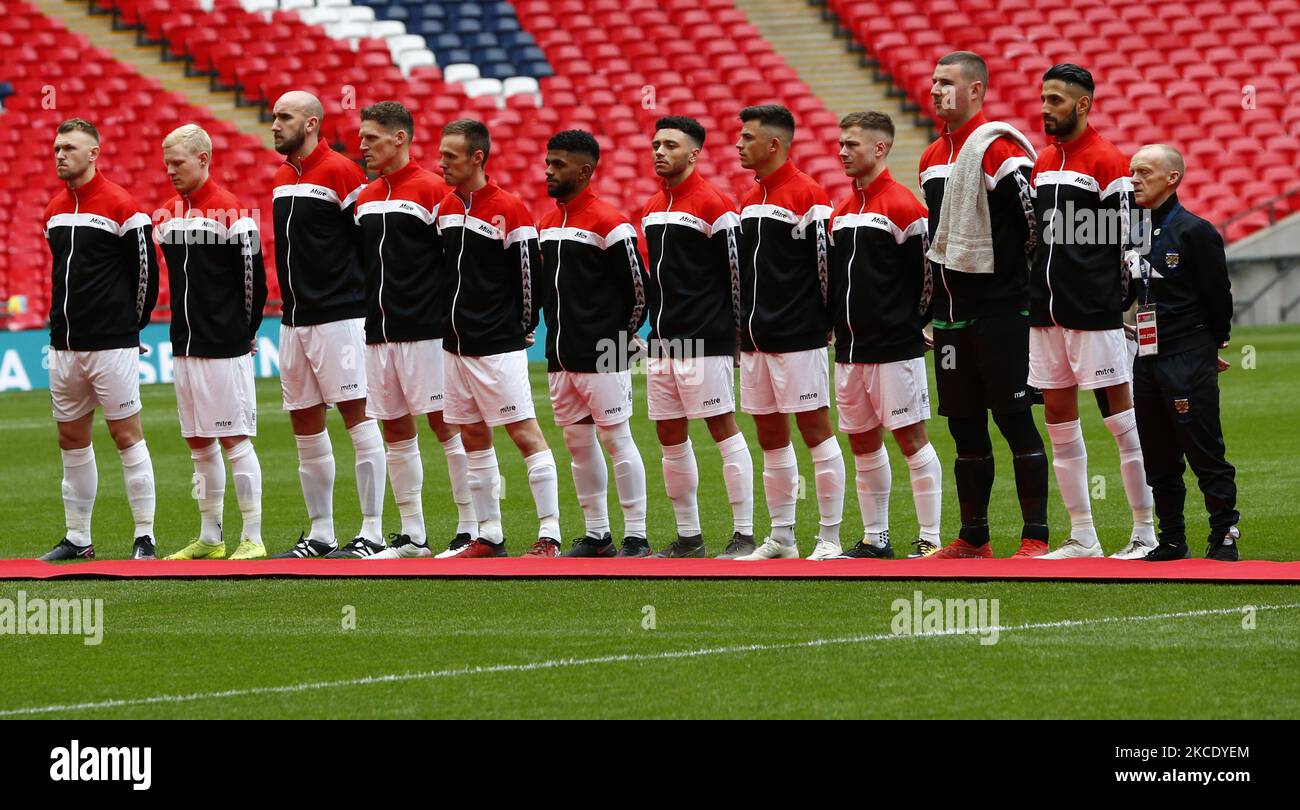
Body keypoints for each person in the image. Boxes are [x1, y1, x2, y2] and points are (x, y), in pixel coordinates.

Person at [918, 51, 1050, 559]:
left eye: (947, 82)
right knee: (963, 424)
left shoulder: (998, 150)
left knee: (1015, 418)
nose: (935, 90)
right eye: (932, 81)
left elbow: (1033, 226)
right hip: (952, 316)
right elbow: (936, 239)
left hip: (1002, 311)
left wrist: (1022, 291)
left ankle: (1035, 534)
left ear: (976, 91)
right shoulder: (930, 157)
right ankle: (974, 535)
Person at [1030, 64, 1156, 560]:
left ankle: (1145, 531)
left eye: (1056, 100)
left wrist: (1119, 305)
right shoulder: (1041, 162)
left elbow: (1133, 242)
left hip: (1094, 314)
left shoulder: (1108, 162)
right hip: (1044, 316)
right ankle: (1083, 535)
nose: (1046, 108)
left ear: (1083, 105)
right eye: (1043, 98)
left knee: (1121, 420)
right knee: (1058, 421)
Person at [352, 101, 476, 559]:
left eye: (371, 137)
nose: (362, 145)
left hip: (426, 333)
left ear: (399, 138)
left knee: (448, 428)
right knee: (394, 432)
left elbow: (452, 265)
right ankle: (412, 537)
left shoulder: (432, 191)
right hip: (378, 333)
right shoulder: (365, 198)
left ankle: (470, 529)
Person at [435, 119, 562, 558]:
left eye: (450, 156)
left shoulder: (510, 208)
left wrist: (520, 327)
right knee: (471, 435)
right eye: (440, 154)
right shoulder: (446, 208)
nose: (442, 163)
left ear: (477, 157)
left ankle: (550, 534)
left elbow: (530, 276)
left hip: (496, 345)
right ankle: (488, 534)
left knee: (524, 433)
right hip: (453, 346)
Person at [267, 91, 384, 559]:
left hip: (342, 316)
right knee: (305, 426)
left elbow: (367, 246)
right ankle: (321, 533)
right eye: (275, 116)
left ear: (311, 123)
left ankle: (373, 531)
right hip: (294, 320)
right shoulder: (280, 176)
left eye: (285, 117)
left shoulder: (343, 172)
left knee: (359, 420)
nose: (275, 124)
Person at [39, 118, 160, 562]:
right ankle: (77, 537)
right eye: (56, 148)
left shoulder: (123, 207)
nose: (59, 155)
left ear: (93, 153)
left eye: (68, 147)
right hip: (63, 345)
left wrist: (133, 327)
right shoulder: (52, 210)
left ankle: (144, 536)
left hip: (112, 344)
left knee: (126, 435)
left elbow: (145, 272)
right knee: (71, 439)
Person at [733, 104, 845, 561]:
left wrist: (826, 322)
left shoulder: (809, 196)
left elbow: (825, 267)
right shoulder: (749, 198)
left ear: (774, 144)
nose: (739, 145)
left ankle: (831, 538)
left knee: (816, 430)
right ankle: (782, 537)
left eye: (747, 138)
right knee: (769, 436)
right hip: (755, 339)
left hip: (800, 335)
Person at [829, 112, 943, 559]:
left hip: (895, 349)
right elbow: (830, 279)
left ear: (879, 148)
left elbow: (928, 277)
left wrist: (912, 325)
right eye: (840, 143)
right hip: (849, 351)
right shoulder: (840, 212)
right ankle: (876, 538)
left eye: (851, 144)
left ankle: (930, 540)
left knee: (911, 438)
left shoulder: (905, 207)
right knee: (861, 442)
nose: (842, 152)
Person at [640, 116, 756, 559]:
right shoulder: (651, 207)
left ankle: (743, 533)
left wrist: (739, 335)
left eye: (670, 144)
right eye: (655, 144)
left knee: (722, 429)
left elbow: (737, 274)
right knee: (669, 434)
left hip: (707, 338)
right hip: (664, 341)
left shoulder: (716, 205)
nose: (659, 151)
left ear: (693, 153)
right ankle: (688, 536)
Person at [154, 124, 268, 561]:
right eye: (167, 163)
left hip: (224, 345)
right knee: (198, 442)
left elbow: (253, 280)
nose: (170, 171)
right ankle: (211, 536)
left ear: (203, 160)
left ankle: (252, 536)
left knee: (235, 440)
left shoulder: (232, 212)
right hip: (183, 343)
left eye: (178, 163)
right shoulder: (166, 215)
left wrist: (246, 330)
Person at [537, 129, 649, 557]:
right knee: (577, 444)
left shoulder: (610, 222)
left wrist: (622, 340)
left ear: (584, 170)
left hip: (606, 353)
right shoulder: (546, 224)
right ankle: (597, 533)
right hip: (559, 357)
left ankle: (636, 534)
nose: (549, 170)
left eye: (558, 164)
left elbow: (639, 290)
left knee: (617, 440)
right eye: (548, 162)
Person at [1128, 144, 1240, 561]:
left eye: (1145, 172)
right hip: (1147, 354)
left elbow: (1218, 294)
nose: (1135, 179)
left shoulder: (1196, 231)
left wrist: (1213, 342)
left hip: (1187, 351)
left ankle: (1224, 533)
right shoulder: (1134, 229)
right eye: (1132, 171)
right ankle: (1172, 538)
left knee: (1203, 446)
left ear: (1172, 178)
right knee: (1156, 451)